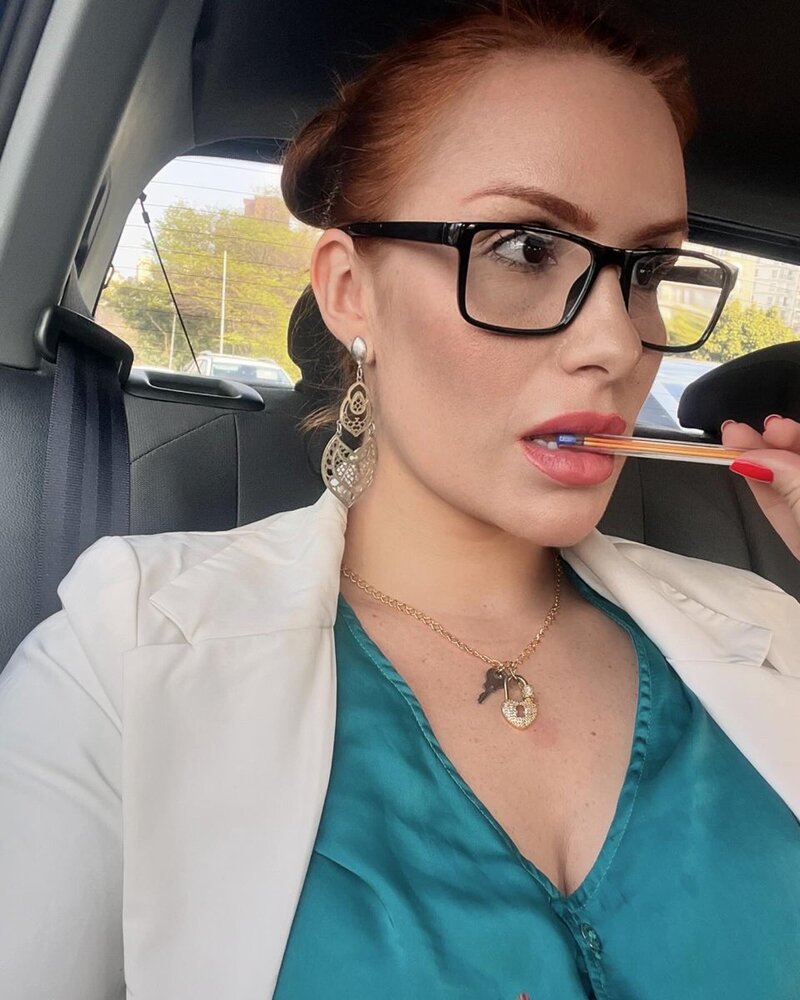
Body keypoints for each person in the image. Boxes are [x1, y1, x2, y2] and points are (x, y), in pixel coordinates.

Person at [1, 3, 800, 999]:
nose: (615, 342)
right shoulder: (121, 658)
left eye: (644, 270)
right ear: (350, 290)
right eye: (524, 250)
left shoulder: (772, 632)